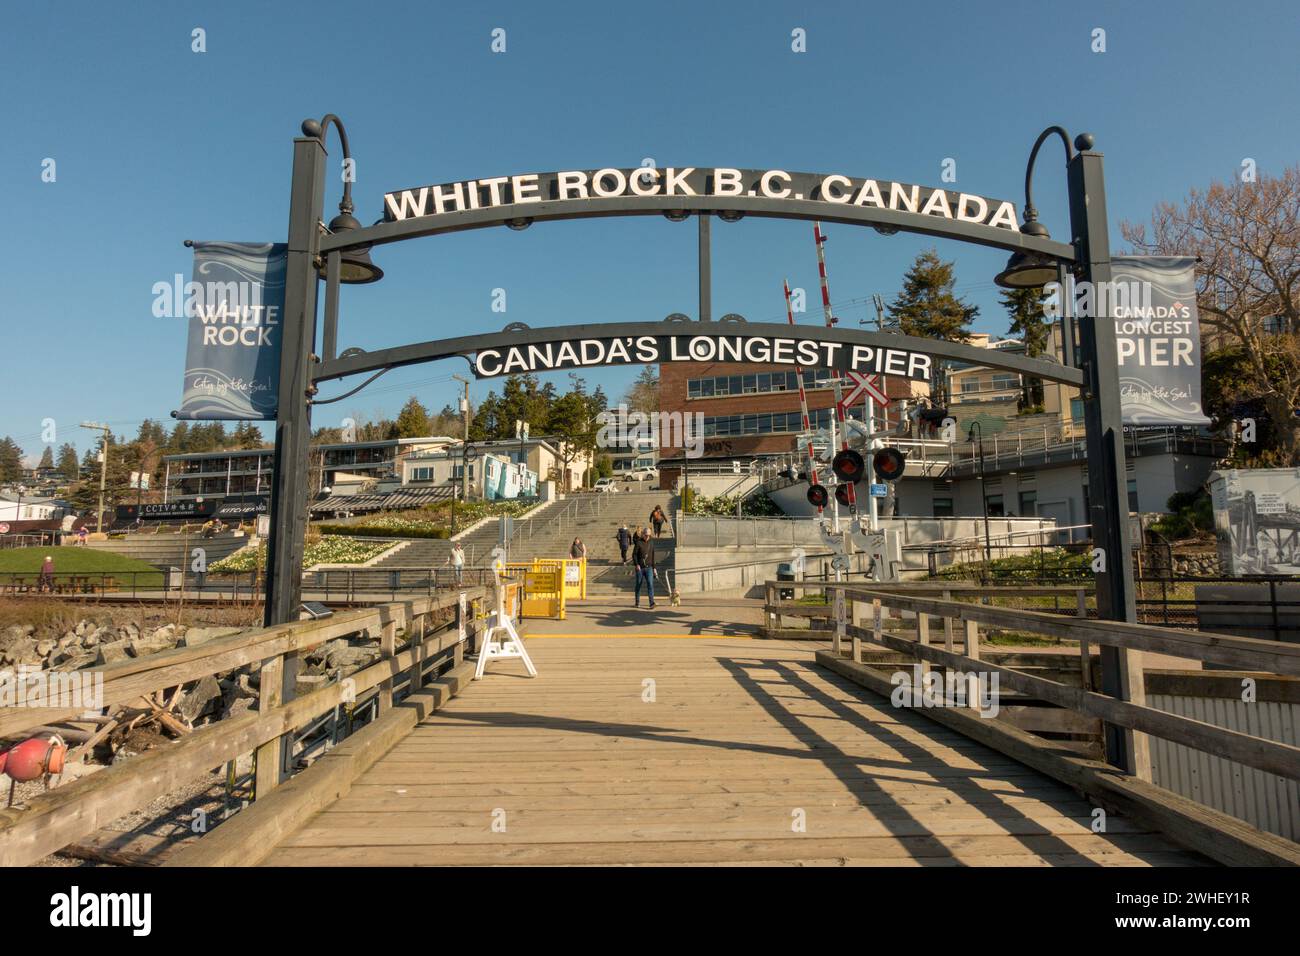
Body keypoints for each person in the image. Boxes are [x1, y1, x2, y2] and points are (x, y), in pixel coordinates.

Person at [633, 529, 656, 609]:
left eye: (649, 535)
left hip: (649, 567)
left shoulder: (651, 542)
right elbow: (634, 555)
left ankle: (652, 603)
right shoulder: (639, 542)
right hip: (640, 568)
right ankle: (637, 602)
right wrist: (636, 564)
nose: (647, 537)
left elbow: (653, 556)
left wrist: (654, 568)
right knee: (638, 584)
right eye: (646, 535)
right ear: (643, 534)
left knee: (650, 584)